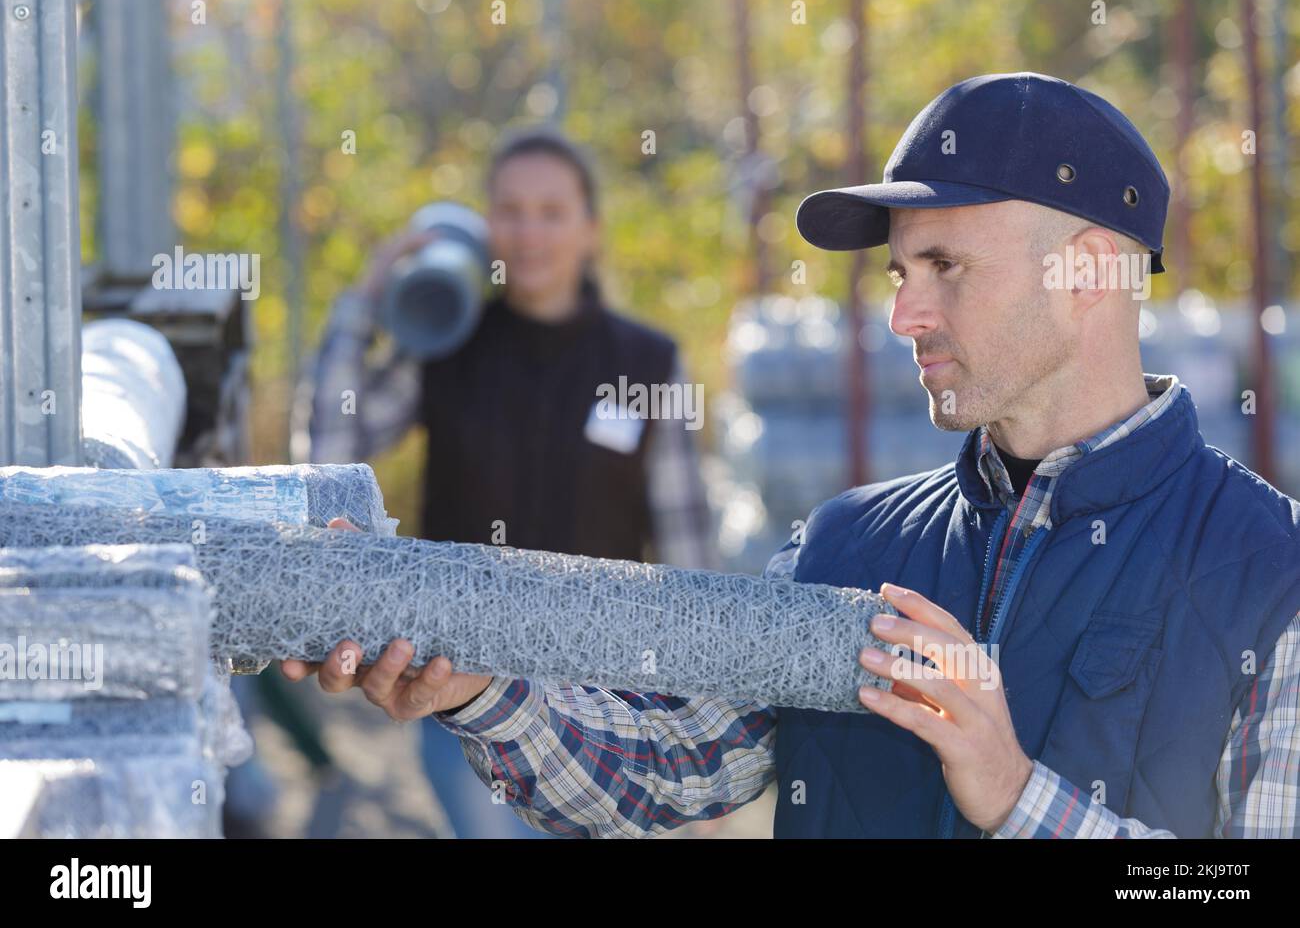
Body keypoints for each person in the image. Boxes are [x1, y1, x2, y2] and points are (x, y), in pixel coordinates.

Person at [286, 73, 1300, 838]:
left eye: (944, 265)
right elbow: (672, 761)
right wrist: (475, 690)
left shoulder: (1269, 568)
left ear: (1090, 267)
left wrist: (1015, 796)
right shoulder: (850, 543)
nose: (902, 311)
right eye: (901, 270)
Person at [303, 126, 717, 838]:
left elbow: (689, 547)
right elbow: (333, 446)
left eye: (551, 212)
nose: (529, 233)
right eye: (510, 211)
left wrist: (700, 714)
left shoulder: (647, 361)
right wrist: (366, 300)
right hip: (463, 698)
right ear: (487, 226)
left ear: (590, 229)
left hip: (611, 715)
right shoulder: (446, 342)